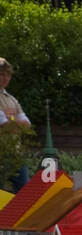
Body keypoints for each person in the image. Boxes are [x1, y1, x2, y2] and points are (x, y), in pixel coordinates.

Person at [0, 58, 31, 191]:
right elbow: (5, 126)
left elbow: (27, 126)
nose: (5, 78)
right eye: (1, 74)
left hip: (15, 154)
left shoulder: (12, 99)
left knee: (25, 195)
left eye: (8, 74)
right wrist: (12, 120)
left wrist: (10, 117)